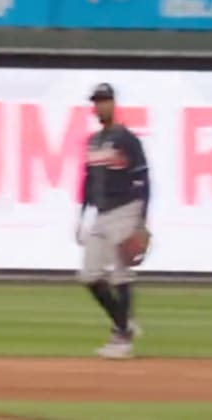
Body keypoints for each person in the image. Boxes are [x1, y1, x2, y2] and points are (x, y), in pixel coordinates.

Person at [76, 82, 150, 360]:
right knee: (89, 275)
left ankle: (122, 339)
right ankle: (125, 322)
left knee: (120, 274)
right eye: (96, 101)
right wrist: (82, 215)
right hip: (101, 213)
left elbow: (144, 180)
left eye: (104, 100)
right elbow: (88, 181)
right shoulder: (93, 142)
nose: (100, 105)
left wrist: (141, 221)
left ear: (113, 104)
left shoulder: (127, 139)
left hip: (125, 209)